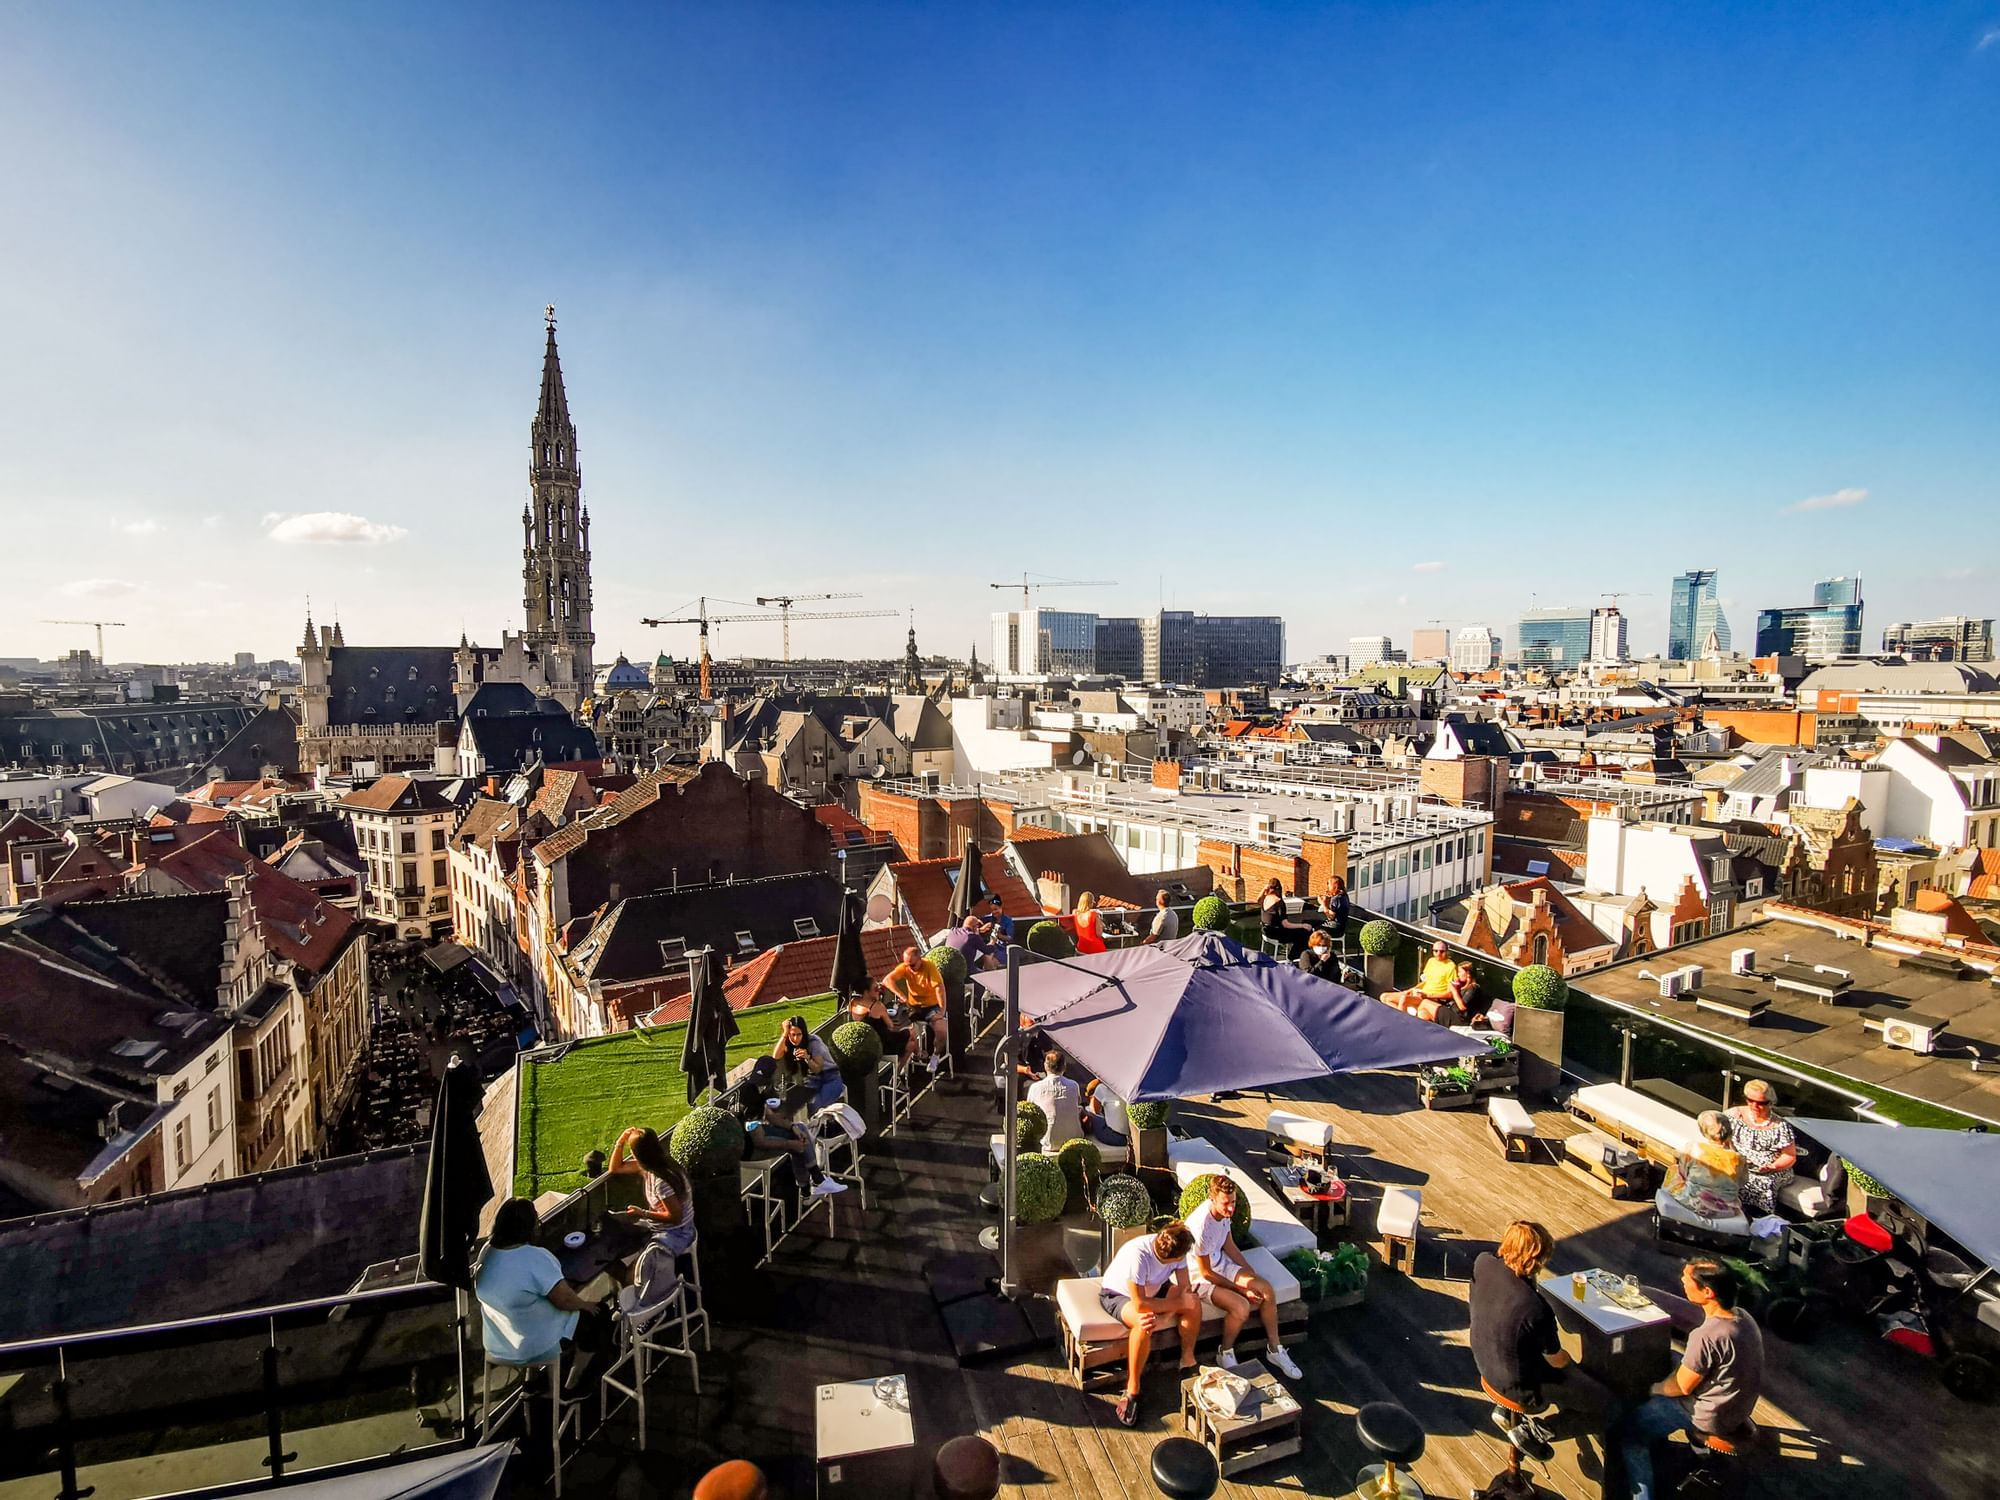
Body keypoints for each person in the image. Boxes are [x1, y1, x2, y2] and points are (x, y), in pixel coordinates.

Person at [1468, 1221, 1617, 1464]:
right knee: (1607, 1406)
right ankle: (1535, 1432)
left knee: (1518, 1346)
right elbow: (1557, 1360)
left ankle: (1505, 1410)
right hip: (1520, 1387)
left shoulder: (1483, 1263)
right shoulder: (1534, 1308)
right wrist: (1576, 1368)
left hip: (1485, 1360)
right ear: (1538, 1260)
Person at [1618, 1257, 1766, 1500]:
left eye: (1687, 1279)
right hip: (1736, 1406)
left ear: (1707, 1292)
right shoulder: (1743, 1318)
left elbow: (1680, 1387)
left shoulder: (1706, 1336)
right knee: (1674, 1358)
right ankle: (1674, 1445)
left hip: (1706, 1415)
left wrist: (1651, 1388)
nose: (1682, 1281)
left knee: (1630, 1436)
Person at [474, 1197, 611, 1392]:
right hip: (534, 1346)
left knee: (528, 1310)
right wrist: (586, 1305)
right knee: (598, 1315)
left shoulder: (486, 1253)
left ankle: (533, 1381)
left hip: (498, 1343)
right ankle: (574, 1385)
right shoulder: (535, 1257)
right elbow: (564, 1300)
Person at [1184, 1176, 1303, 1379]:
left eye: (1233, 1202)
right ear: (1212, 1199)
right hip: (1199, 1277)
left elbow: (1229, 1245)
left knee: (1266, 1290)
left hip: (1220, 1264)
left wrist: (1250, 1274)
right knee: (1241, 1307)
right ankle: (1226, 1352)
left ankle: (1275, 1349)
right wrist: (1241, 1288)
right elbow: (1205, 1273)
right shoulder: (1201, 1226)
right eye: (1226, 1203)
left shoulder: (1224, 1213)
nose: (1231, 1208)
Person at [1100, 1221, 1201, 1427]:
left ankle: (1187, 1359)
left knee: (1193, 1303)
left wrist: (1168, 1313)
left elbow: (1185, 1288)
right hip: (1119, 1295)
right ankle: (1132, 1388)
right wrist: (1175, 1305)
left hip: (1155, 1289)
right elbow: (1140, 1303)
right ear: (1171, 1257)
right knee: (1144, 1322)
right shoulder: (1138, 1256)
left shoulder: (1177, 1247)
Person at [607, 1126, 698, 1255]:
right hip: (660, 1227)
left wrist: (642, 1213)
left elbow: (676, 1217)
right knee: (614, 1246)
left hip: (677, 1233)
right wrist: (620, 1142)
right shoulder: (654, 1164)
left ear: (637, 1154)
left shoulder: (662, 1181)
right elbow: (615, 1169)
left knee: (633, 1267)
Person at [745, 1095, 847, 1198]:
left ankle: (808, 1187)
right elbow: (760, 1141)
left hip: (759, 1133)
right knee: (796, 1143)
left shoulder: (753, 1096)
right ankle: (816, 1181)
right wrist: (789, 1144)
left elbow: (770, 1116)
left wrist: (792, 1126)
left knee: (800, 1128)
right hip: (749, 1149)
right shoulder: (747, 1116)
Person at [1725, 1079, 1797, 1217]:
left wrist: (1773, 1166)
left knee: (1761, 1183)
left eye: (1761, 1103)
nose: (1754, 1106)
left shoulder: (1780, 1126)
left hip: (1772, 1170)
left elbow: (1789, 1156)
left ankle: (1759, 1217)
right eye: (1750, 1100)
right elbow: (1719, 1135)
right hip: (1740, 1163)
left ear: (1770, 1102)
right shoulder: (1734, 1115)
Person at [1663, 1112, 1746, 1224]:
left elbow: (1683, 1173)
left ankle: (1669, 1214)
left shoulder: (1694, 1148)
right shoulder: (1739, 1159)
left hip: (1695, 1204)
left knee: (1674, 1169)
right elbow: (1741, 1183)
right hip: (1727, 1209)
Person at [883, 946, 949, 1070]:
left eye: (912, 965)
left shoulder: (929, 967)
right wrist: (902, 996)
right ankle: (917, 1053)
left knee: (942, 1031)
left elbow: (939, 988)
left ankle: (935, 1055)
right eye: (906, 964)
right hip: (913, 1006)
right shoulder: (905, 967)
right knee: (897, 1028)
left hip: (930, 1006)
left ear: (920, 959)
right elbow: (887, 980)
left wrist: (942, 1011)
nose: (909, 967)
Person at [770, 1014, 845, 1112]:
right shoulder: (789, 1042)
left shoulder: (814, 1043)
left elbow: (817, 1069)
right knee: (798, 1103)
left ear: (804, 1033)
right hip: (812, 1080)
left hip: (829, 1077)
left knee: (816, 1105)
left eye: (799, 1034)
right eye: (792, 1034)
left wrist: (807, 1058)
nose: (796, 1039)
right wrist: (784, 1033)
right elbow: (775, 1056)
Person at [1026, 1046, 1086, 1151]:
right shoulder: (1073, 1085)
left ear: (1046, 1066)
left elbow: (1029, 1112)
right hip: (1073, 1138)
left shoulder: (1035, 1088)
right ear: (1064, 1067)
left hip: (1048, 1141)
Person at [1391, 941, 1462, 1015]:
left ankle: (1401, 1020)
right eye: (1436, 951)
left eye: (1441, 951)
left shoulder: (1451, 966)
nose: (1438, 954)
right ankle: (1406, 1016)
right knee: (1385, 997)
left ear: (1446, 952)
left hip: (1432, 998)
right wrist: (1410, 990)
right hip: (1420, 993)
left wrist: (1427, 995)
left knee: (1404, 999)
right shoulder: (1431, 961)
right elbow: (1425, 982)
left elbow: (1450, 993)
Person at [848, 986, 915, 1065]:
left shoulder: (852, 1002)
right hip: (881, 1044)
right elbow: (891, 1026)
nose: (878, 990)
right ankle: (899, 1072)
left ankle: (917, 1055)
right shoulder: (877, 1005)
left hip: (864, 1043)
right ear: (866, 992)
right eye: (876, 989)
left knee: (910, 1041)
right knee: (912, 1036)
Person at [1258, 878, 1312, 960]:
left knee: (1299, 932)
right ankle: (1293, 958)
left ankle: (1294, 956)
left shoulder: (1264, 898)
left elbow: (1258, 899)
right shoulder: (1279, 903)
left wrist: (1264, 889)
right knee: (1304, 934)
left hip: (1266, 931)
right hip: (1277, 933)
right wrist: (1303, 925)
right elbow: (1286, 924)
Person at [1321, 875, 1350, 945]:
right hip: (1341, 928)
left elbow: (1330, 917)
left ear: (1334, 886)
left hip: (1334, 928)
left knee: (1311, 927)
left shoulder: (1336, 899)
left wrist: (1323, 903)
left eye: (1329, 884)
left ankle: (1314, 949)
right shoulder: (1344, 896)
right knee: (1311, 923)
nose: (1327, 886)